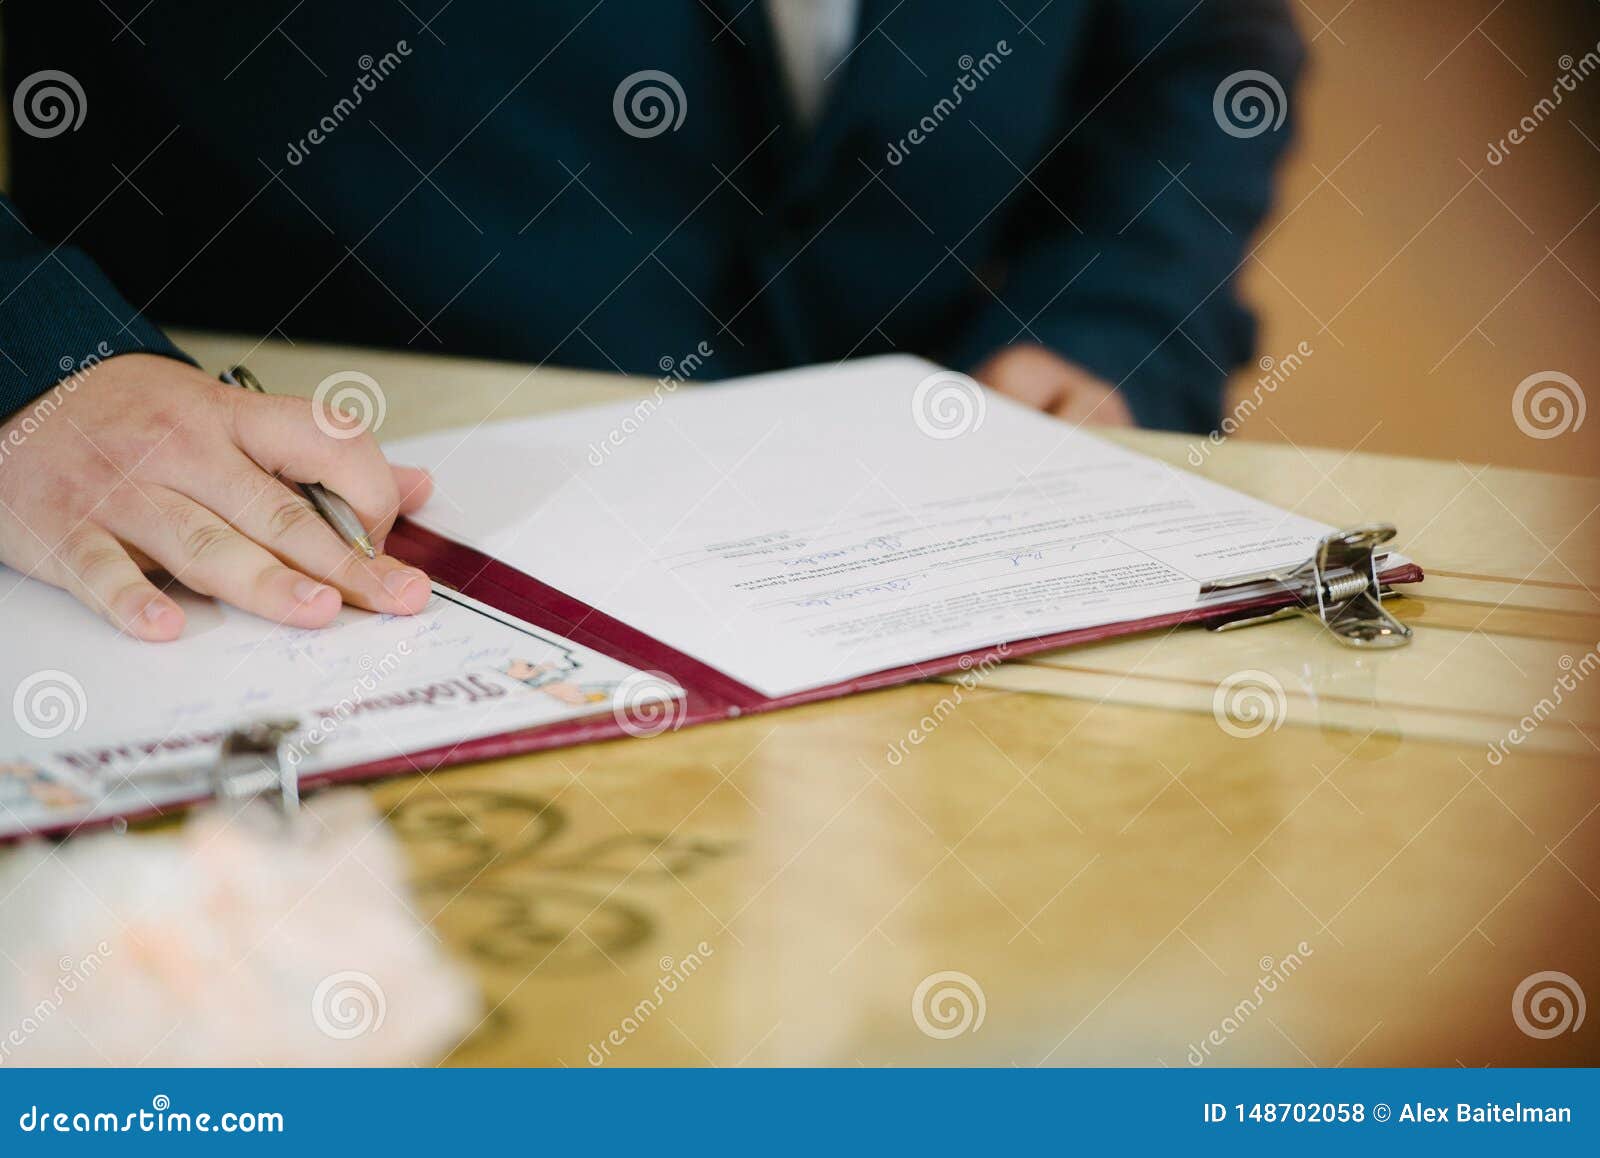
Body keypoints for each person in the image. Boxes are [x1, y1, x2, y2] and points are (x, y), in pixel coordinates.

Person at [0, 1, 1303, 639]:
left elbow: (1198, 53)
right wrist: (34, 365)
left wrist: (1113, 314)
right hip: (312, 570)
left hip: (949, 570)